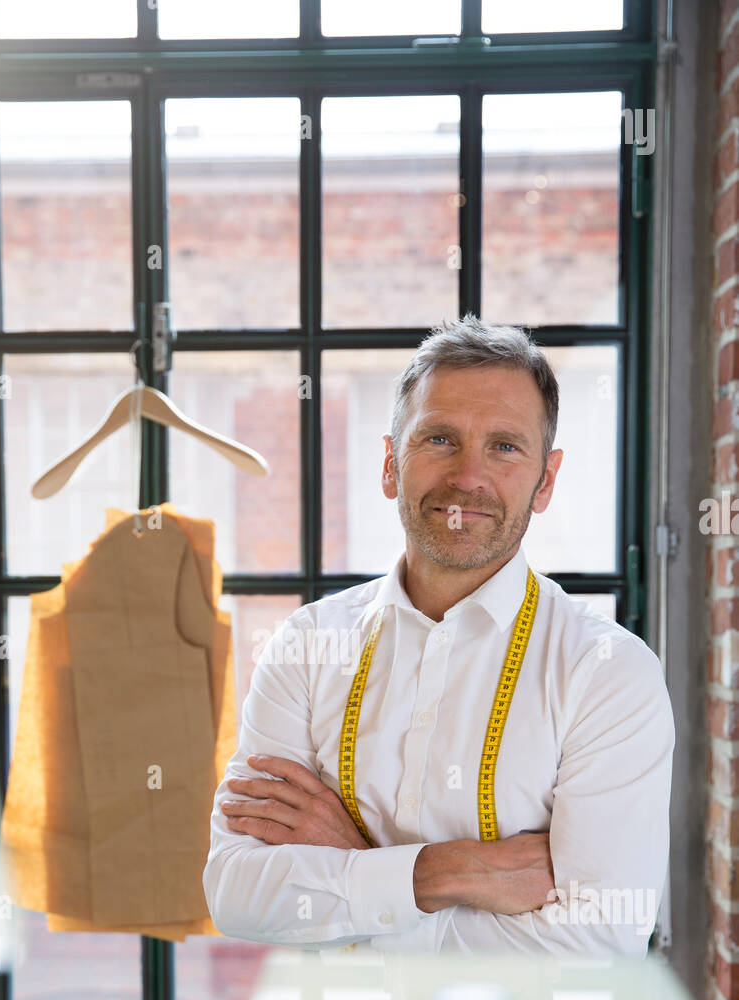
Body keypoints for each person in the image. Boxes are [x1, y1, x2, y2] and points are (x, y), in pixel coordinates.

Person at [202, 315, 675, 955]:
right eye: (440, 439)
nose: (468, 478)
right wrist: (453, 872)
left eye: (505, 446)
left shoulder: (608, 672)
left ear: (548, 479)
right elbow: (237, 893)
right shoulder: (307, 645)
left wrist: (356, 873)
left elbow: (601, 937)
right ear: (392, 464)